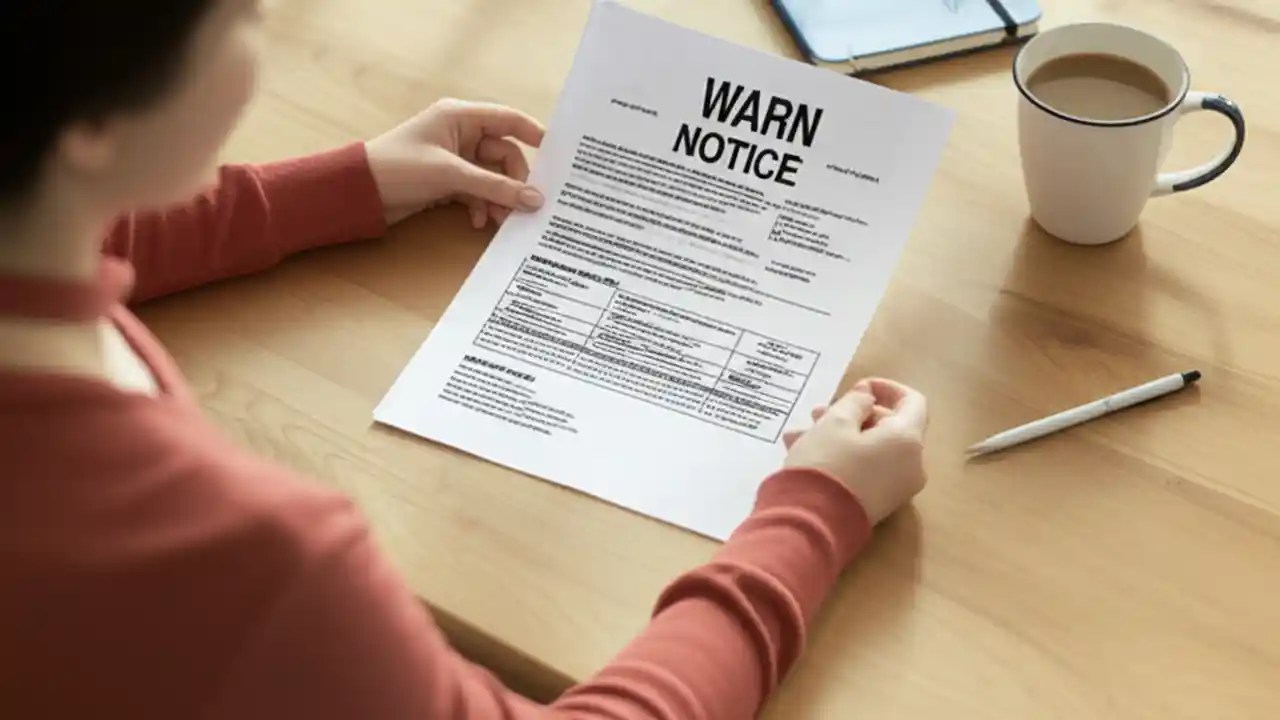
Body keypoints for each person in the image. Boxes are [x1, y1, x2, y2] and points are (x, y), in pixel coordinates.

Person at [0, 1, 930, 718]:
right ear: (90, 128)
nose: (265, 29)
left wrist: (342, 185)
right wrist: (816, 513)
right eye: (242, 14)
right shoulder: (250, 561)